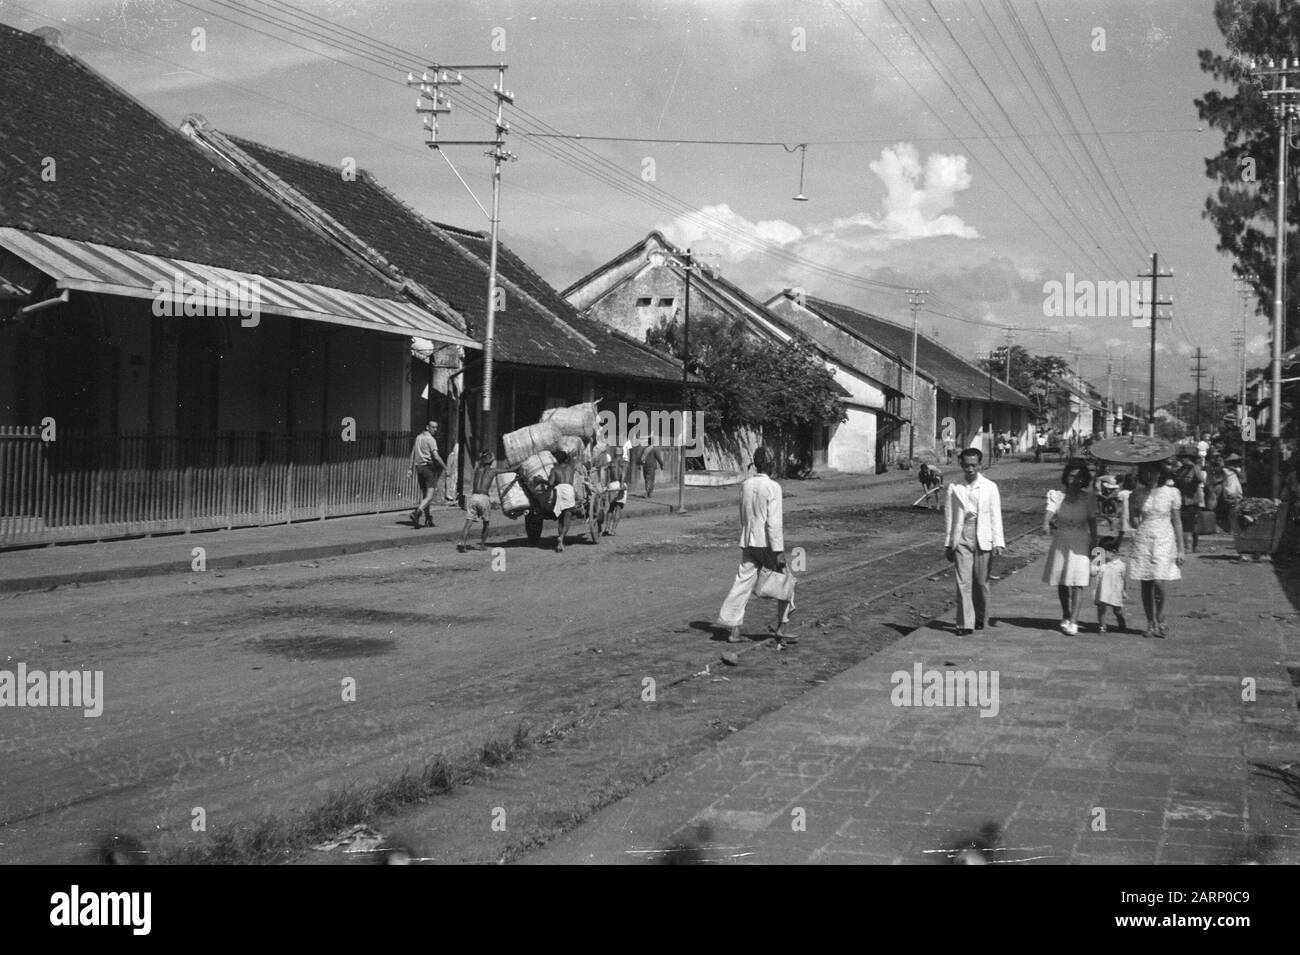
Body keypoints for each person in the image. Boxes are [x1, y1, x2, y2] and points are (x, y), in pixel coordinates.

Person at [717, 446, 795, 647]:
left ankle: (735, 630)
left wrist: (746, 535)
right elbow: (774, 523)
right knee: (786, 580)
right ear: (770, 464)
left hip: (748, 541)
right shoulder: (773, 487)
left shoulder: (745, 484)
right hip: (767, 543)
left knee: (742, 583)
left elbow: (743, 515)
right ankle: (782, 627)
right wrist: (778, 552)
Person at [944, 448, 1005, 636]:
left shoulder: (990, 486)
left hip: (983, 536)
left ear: (980, 465)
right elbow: (949, 516)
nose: (970, 469)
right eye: (966, 465)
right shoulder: (954, 486)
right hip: (962, 535)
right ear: (961, 464)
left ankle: (980, 616)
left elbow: (996, 515)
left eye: (974, 465)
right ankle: (964, 623)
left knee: (980, 582)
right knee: (963, 581)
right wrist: (948, 542)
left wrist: (998, 542)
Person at [1128, 460, 1185, 639]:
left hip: (1164, 539)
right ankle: (1150, 622)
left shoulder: (1171, 493)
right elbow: (1135, 522)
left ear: (1160, 473)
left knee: (1159, 580)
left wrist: (1182, 549)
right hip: (1144, 538)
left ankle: (1160, 614)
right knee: (1145, 581)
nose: (1149, 476)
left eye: (1152, 472)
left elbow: (1177, 521)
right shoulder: (1137, 493)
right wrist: (1131, 508)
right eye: (1144, 472)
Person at [1042, 460, 1098, 635]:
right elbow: (1050, 511)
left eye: (1079, 477)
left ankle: (1074, 620)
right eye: (1072, 476)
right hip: (1062, 539)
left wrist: (1095, 544)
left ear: (1084, 479)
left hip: (1081, 541)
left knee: (1078, 581)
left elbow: (1093, 521)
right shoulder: (1057, 496)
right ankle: (1066, 613)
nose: (1075, 480)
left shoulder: (1089, 499)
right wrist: (1046, 522)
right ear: (1066, 477)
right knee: (1062, 580)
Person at [407, 421, 447, 528]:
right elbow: (436, 456)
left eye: (436, 427)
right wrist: (445, 468)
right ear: (427, 427)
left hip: (419, 468)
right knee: (429, 496)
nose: (435, 429)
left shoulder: (418, 437)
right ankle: (417, 512)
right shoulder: (431, 440)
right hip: (428, 468)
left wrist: (410, 468)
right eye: (433, 427)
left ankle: (428, 519)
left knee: (425, 495)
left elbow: (413, 453)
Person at [458, 450, 497, 552]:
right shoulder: (493, 471)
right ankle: (482, 545)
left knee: (468, 523)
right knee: (486, 523)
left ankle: (463, 544)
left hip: (473, 496)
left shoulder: (477, 469)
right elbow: (509, 470)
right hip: (484, 498)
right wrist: (518, 468)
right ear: (491, 461)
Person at [1172, 450, 1206, 554]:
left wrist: (1193, 467)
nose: (1181, 459)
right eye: (1180, 457)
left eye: (1184, 457)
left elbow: (1201, 479)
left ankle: (1193, 547)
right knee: (1183, 525)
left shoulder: (1195, 468)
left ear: (1188, 458)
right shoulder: (1181, 469)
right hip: (1181, 501)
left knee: (1193, 526)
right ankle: (1186, 546)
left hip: (1192, 501)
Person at [1093, 537, 1128, 634]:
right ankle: (1102, 626)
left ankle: (1121, 620)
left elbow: (1123, 580)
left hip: (1115, 591)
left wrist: (1124, 591)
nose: (1101, 555)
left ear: (1113, 551)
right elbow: (1093, 573)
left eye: (1104, 552)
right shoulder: (1100, 563)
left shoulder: (1121, 565)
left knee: (1117, 610)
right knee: (1101, 609)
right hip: (1102, 591)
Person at [549, 449, 578, 552]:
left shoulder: (554, 469)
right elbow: (572, 460)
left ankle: (560, 543)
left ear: (556, 459)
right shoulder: (571, 467)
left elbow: (551, 483)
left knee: (561, 519)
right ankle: (561, 537)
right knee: (567, 518)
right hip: (569, 491)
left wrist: (542, 480)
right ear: (566, 459)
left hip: (559, 491)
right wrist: (571, 456)